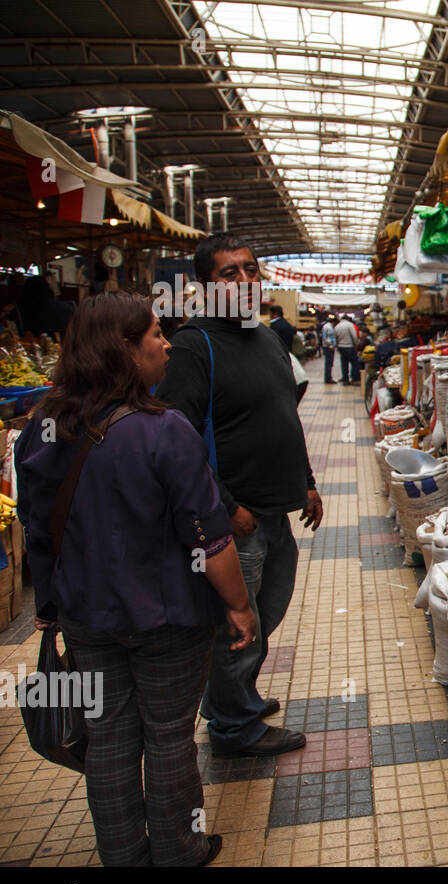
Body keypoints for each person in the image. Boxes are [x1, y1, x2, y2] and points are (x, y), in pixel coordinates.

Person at [16, 292, 259, 866]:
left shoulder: (42, 429)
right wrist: (240, 605)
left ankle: (123, 857)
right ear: (124, 349)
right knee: (170, 736)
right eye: (154, 333)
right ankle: (179, 848)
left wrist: (50, 607)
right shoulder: (163, 431)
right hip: (168, 617)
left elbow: (36, 529)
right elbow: (210, 535)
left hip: (87, 617)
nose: (166, 342)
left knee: (110, 738)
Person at [155, 234, 323, 758]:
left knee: (264, 613)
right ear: (205, 285)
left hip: (275, 510)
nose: (245, 281)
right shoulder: (192, 346)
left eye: (251, 269)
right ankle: (234, 726)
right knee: (238, 625)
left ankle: (232, 695)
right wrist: (228, 507)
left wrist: (308, 480)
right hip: (235, 522)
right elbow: (175, 439)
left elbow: (282, 414)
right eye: (230, 273)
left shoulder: (269, 337)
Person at [333, 313, 360, 385]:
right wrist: (356, 345)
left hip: (341, 347)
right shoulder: (350, 325)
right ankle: (355, 379)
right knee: (354, 363)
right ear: (348, 319)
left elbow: (335, 337)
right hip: (350, 347)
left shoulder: (337, 326)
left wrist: (337, 345)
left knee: (344, 364)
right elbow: (354, 336)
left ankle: (345, 379)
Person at [320, 316, 337, 384]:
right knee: (329, 363)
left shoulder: (326, 326)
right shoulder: (328, 327)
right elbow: (326, 337)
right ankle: (328, 378)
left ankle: (328, 377)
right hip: (328, 347)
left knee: (329, 363)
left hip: (327, 347)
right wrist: (331, 345)